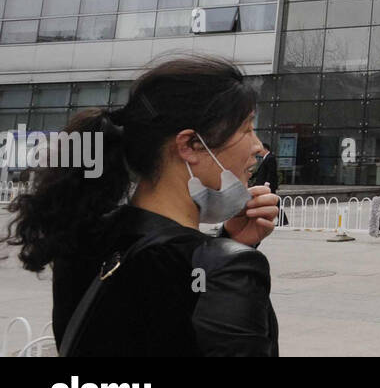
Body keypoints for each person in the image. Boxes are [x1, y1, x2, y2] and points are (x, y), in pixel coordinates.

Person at [5, 53, 280, 356]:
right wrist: (227, 257)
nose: (257, 146)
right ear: (189, 145)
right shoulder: (226, 269)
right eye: (246, 128)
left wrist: (227, 244)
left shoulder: (82, 238)